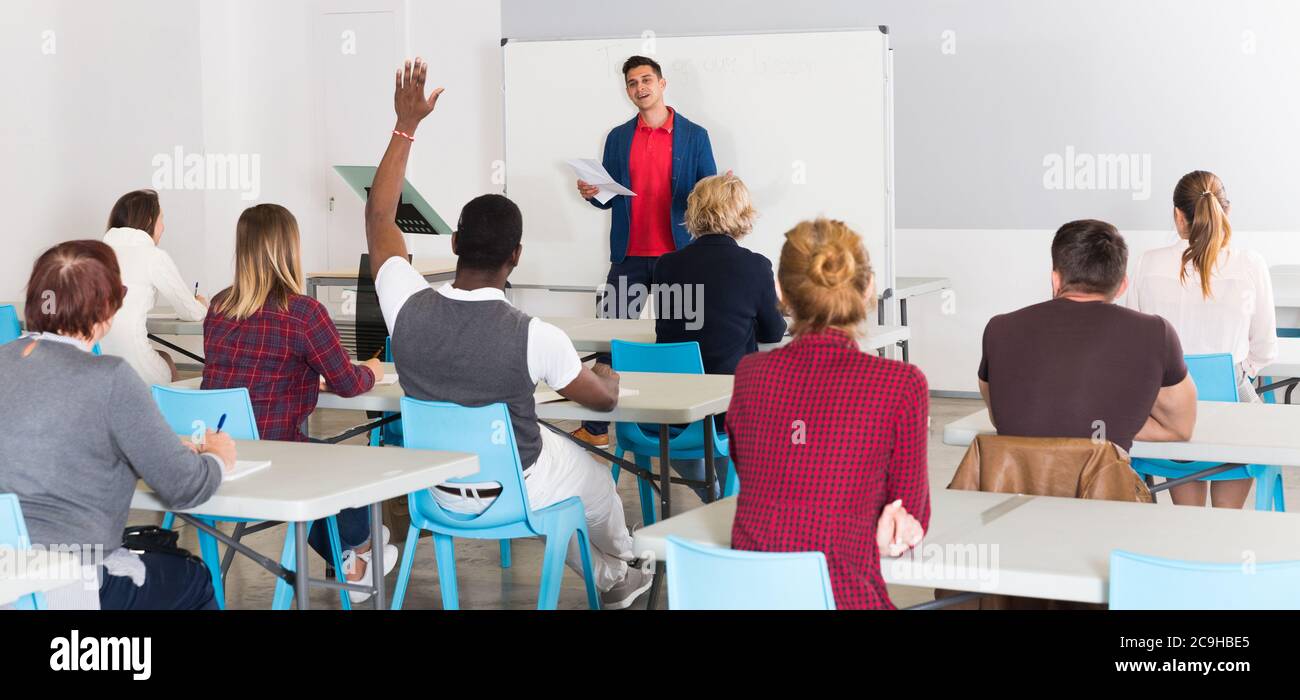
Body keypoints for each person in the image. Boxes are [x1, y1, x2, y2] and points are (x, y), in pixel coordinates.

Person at [364, 58, 652, 609]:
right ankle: (628, 564)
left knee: (560, 485)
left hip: (432, 489)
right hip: (516, 487)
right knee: (592, 482)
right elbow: (603, 400)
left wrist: (406, 125)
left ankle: (615, 574)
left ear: (453, 246)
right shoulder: (534, 335)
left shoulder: (405, 304)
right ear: (516, 257)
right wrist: (606, 373)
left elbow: (379, 218)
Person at [0, 240, 231, 610]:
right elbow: (186, 488)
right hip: (70, 584)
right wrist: (217, 457)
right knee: (193, 578)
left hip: (7, 582)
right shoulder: (110, 378)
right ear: (105, 308)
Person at [726, 219, 928, 609]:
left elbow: (755, 470)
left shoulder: (750, 374)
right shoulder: (901, 385)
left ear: (781, 293)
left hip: (749, 597)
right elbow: (908, 514)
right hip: (846, 596)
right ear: (867, 288)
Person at [201, 203, 393, 603]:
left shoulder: (217, 307)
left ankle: (355, 556)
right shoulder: (303, 313)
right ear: (290, 250)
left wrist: (303, 373)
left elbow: (250, 371)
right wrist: (373, 368)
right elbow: (347, 383)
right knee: (354, 467)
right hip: (278, 461)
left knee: (317, 461)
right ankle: (358, 548)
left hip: (216, 464)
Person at [572, 55, 719, 448]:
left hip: (678, 256)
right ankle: (598, 429)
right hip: (629, 256)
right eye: (633, 83)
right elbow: (607, 195)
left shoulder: (694, 135)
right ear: (627, 91)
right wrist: (592, 193)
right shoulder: (618, 137)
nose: (640, 88)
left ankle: (681, 430)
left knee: (679, 344)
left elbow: (706, 194)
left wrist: (714, 191)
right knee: (609, 343)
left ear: (662, 83)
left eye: (646, 80)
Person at [978, 219, 1198, 452]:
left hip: (1013, 486)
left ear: (1056, 279)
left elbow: (1001, 416)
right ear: (1122, 285)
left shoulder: (999, 329)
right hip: (1102, 486)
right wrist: (1114, 425)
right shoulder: (1156, 333)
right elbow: (1180, 428)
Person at [1126, 171, 1276, 508]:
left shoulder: (1148, 264)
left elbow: (1135, 348)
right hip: (1230, 407)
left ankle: (1187, 534)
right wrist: (1234, 372)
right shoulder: (1250, 264)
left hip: (1168, 410)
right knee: (1251, 431)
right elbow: (1265, 349)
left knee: (1188, 515)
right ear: (1227, 210)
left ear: (1178, 215)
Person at [652, 173, 786, 500]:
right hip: (730, 413)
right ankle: (734, 498)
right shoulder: (755, 267)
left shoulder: (666, 265)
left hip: (672, 412)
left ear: (694, 212)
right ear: (742, 215)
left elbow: (666, 331)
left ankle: (715, 496)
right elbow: (773, 331)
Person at [100, 189, 208, 385]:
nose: (164, 227)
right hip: (132, 366)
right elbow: (191, 313)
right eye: (162, 219)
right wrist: (200, 303)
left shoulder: (94, 253)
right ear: (150, 221)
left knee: (163, 357)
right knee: (167, 368)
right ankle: (167, 414)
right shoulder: (153, 257)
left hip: (97, 362)